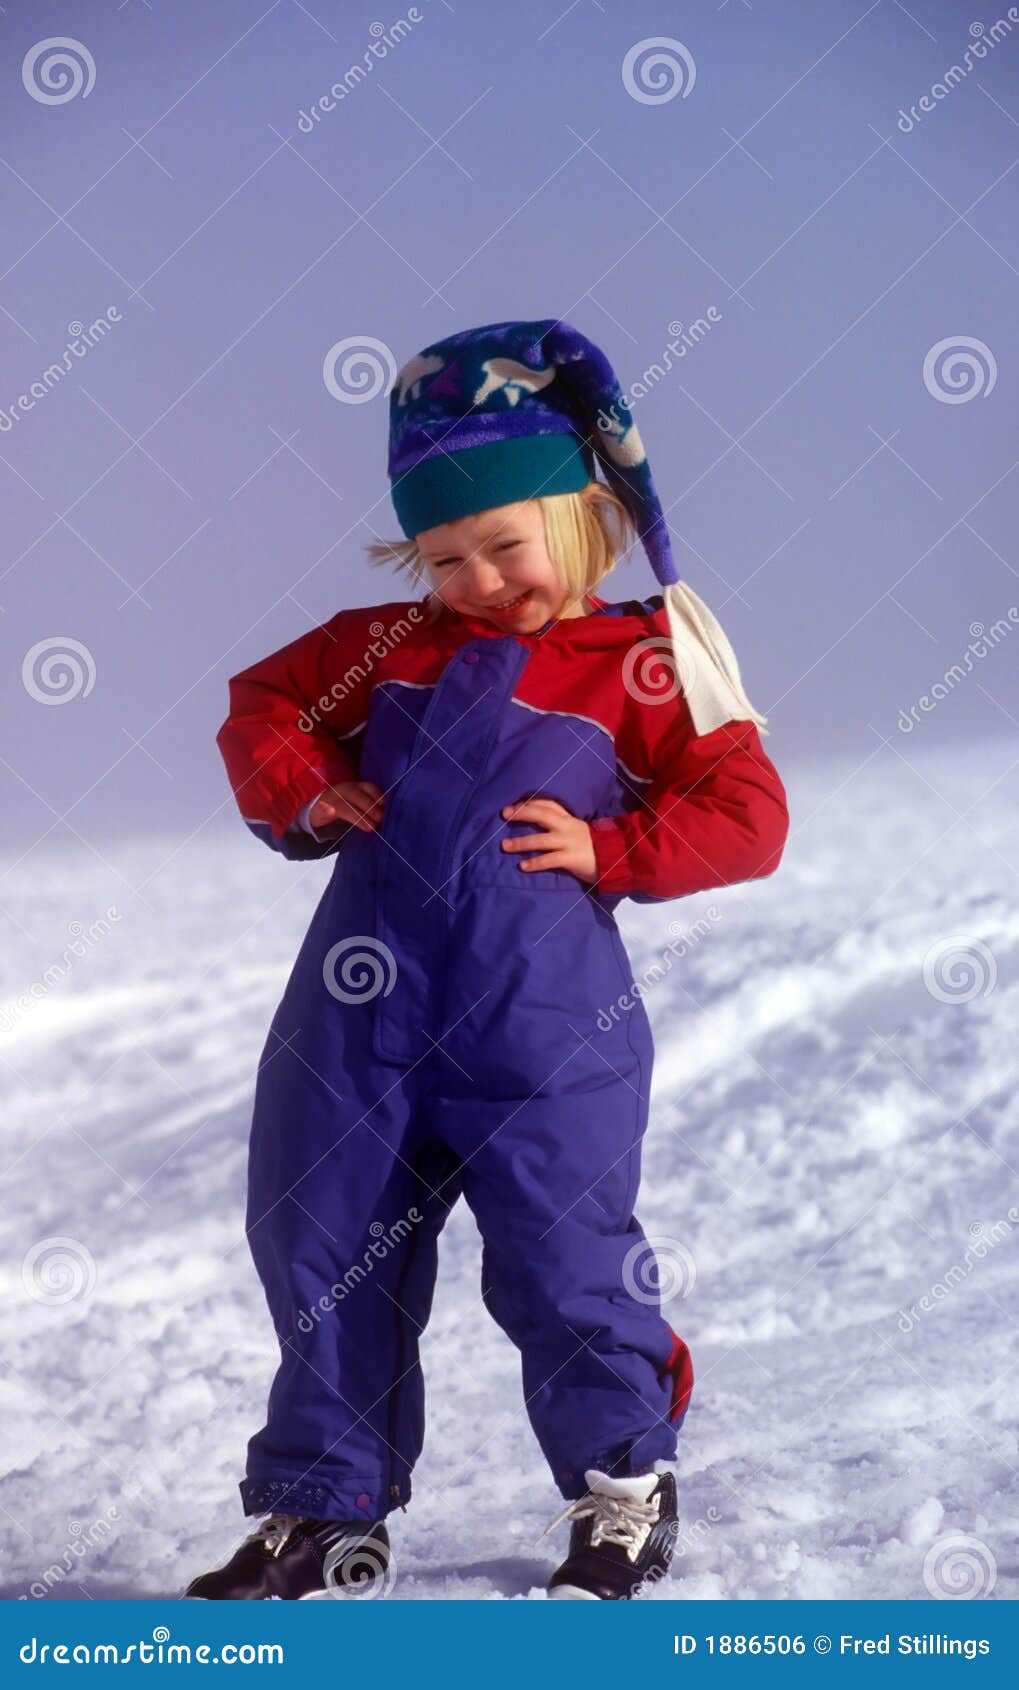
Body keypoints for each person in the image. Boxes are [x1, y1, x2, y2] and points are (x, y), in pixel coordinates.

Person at [186, 318, 789, 1601]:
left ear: (576, 514)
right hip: (356, 1021)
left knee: (565, 1259)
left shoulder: (640, 661)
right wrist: (308, 790)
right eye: (444, 557)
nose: (476, 579)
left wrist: (614, 846)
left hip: (543, 1027)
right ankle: (321, 1510)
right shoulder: (381, 648)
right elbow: (263, 706)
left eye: (504, 544)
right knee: (319, 1240)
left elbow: (747, 813)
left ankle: (621, 1490)